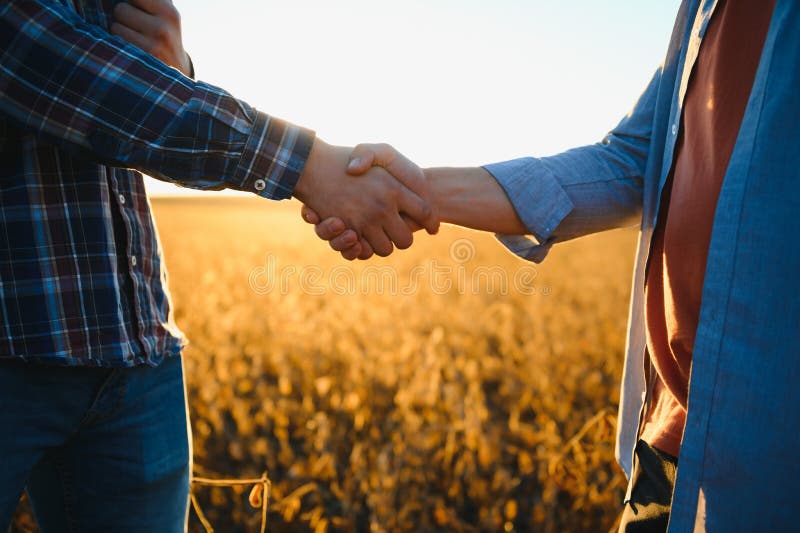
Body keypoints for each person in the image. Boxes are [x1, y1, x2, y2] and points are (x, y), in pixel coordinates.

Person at [305, 0, 800, 530]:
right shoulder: (703, 8)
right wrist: (413, 189)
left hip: (770, 466)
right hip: (668, 441)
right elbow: (630, 160)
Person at [0, 0, 437, 530]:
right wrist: (310, 166)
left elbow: (127, 108)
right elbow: (56, 69)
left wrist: (174, 70)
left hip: (137, 353)